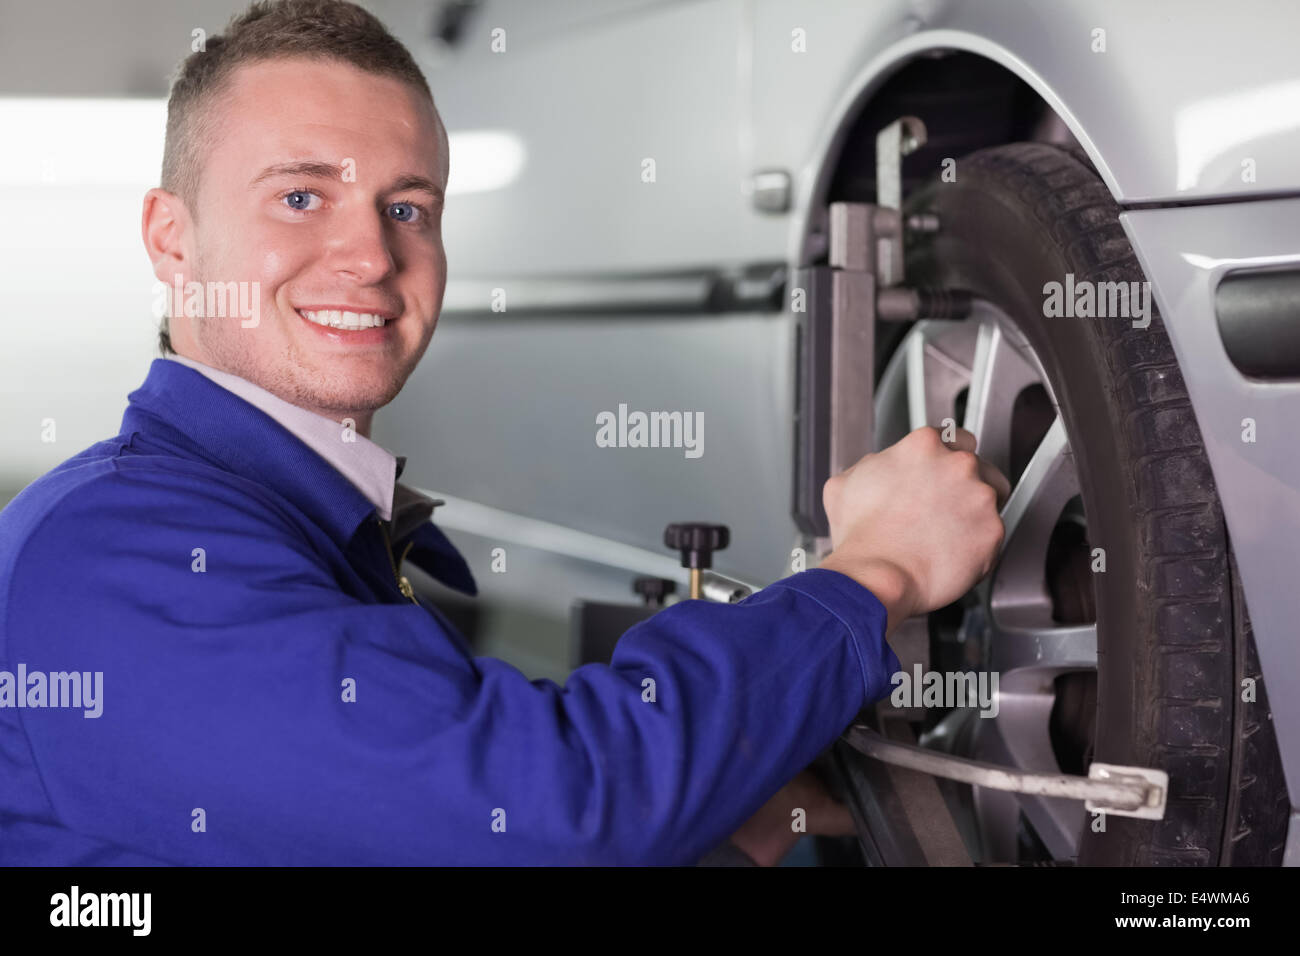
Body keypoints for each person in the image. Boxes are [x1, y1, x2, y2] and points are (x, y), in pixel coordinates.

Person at [0, 0, 1007, 866]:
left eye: (408, 207)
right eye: (300, 197)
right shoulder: (116, 555)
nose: (367, 254)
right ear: (172, 240)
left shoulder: (286, 518)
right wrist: (875, 572)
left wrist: (700, 811)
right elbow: (543, 810)